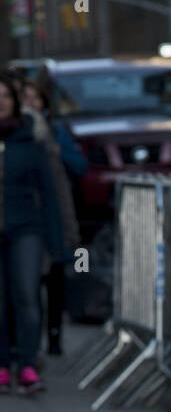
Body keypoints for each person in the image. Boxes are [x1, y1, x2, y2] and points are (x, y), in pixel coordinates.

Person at [0, 71, 64, 395]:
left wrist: (58, 244)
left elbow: (50, 195)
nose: (1, 103)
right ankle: (1, 364)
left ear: (15, 103)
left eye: (6, 97)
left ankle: (27, 363)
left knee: (26, 295)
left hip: (27, 227)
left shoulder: (30, 141)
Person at [21, 77, 87, 356]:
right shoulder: (14, 135)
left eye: (36, 98)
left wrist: (59, 154)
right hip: (26, 218)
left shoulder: (56, 133)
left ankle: (55, 335)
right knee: (27, 283)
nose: (31, 104)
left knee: (56, 279)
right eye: (25, 98)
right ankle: (28, 341)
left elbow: (80, 167)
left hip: (54, 216)